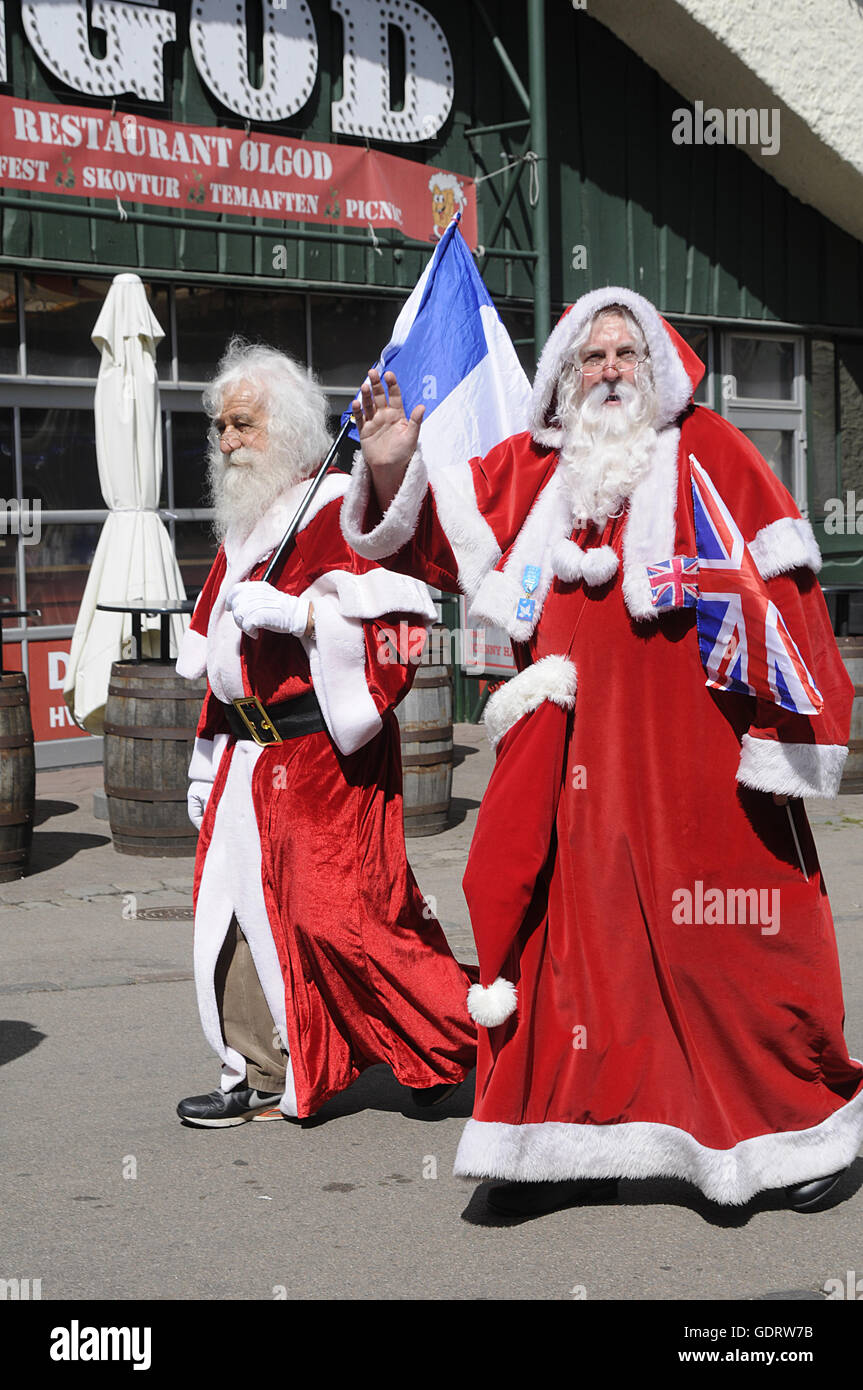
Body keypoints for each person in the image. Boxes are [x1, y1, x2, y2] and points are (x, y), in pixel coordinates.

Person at [343, 286, 863, 1216]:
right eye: (591, 358)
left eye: (626, 354)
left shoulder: (713, 452)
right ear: (563, 379)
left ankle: (789, 1133)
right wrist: (388, 468)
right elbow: (423, 543)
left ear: (657, 368)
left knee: (728, 947)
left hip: (695, 766)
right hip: (567, 759)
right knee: (559, 950)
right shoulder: (531, 469)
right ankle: (550, 1145)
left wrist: (780, 741)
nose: (610, 371)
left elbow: (789, 600)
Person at [174, 338, 476, 1127]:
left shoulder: (340, 506)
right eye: (219, 428)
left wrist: (308, 618)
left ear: (292, 425)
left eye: (241, 424)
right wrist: (206, 761)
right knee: (233, 916)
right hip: (246, 757)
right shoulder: (245, 528)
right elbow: (219, 658)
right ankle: (260, 1069)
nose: (226, 442)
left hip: (321, 762)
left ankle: (457, 1042)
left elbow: (408, 623)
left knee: (348, 924)